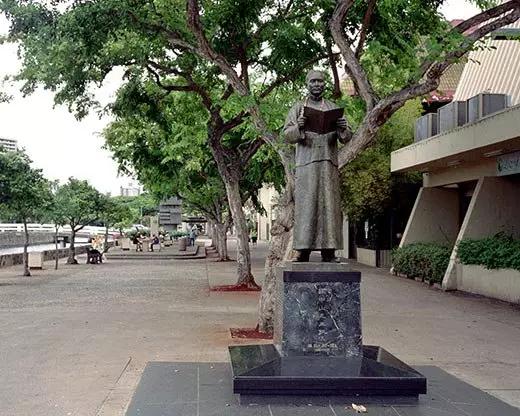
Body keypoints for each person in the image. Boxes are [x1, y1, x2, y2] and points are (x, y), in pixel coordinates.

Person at [283, 69, 350, 262]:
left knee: (329, 207)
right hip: (306, 164)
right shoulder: (297, 108)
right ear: (307, 84)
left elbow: (347, 137)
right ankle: (302, 251)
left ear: (324, 84)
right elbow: (287, 135)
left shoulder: (332, 107)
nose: (317, 85)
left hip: (328, 165)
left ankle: (329, 252)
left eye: (320, 81)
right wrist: (299, 127)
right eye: (313, 81)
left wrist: (343, 128)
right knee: (306, 206)